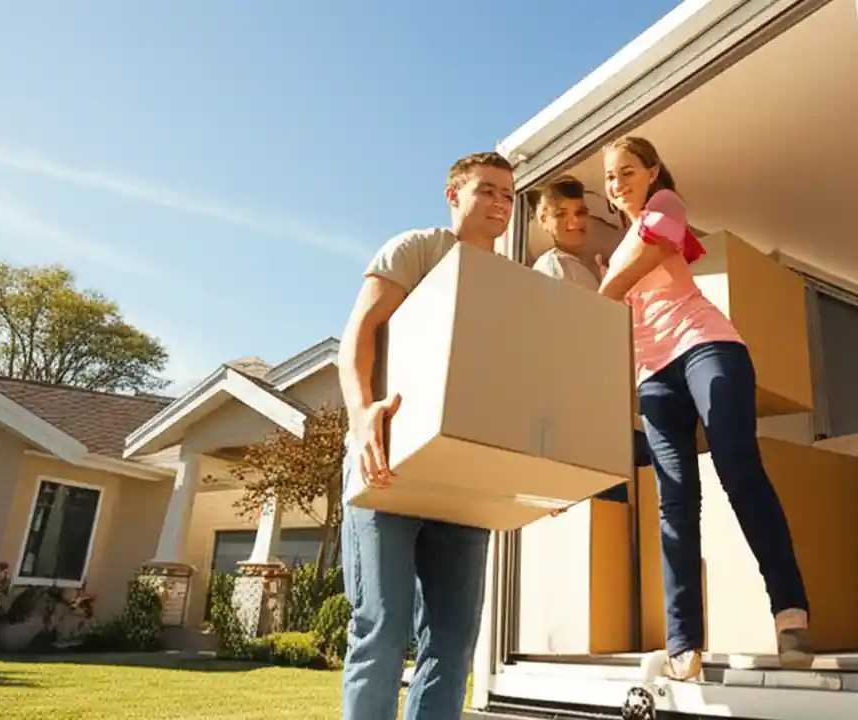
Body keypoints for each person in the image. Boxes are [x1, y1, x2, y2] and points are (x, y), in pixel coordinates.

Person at [596, 136, 814, 680]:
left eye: (626, 172)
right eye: (609, 177)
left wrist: (600, 292)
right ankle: (683, 645)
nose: (617, 184)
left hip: (704, 346)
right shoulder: (619, 244)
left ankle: (791, 616)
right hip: (653, 376)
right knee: (674, 501)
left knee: (737, 465)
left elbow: (644, 264)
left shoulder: (666, 206)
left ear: (650, 172)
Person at [337, 150, 516, 718]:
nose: (500, 204)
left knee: (454, 640)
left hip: (463, 484)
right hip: (388, 460)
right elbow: (358, 334)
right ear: (454, 196)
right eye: (487, 190)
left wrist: (537, 468)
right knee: (381, 628)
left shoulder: (512, 284)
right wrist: (362, 414)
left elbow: (516, 383)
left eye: (509, 196)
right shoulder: (417, 249)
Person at [529, 175, 651, 506]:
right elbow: (560, 350)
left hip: (620, 419)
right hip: (590, 426)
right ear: (543, 220)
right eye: (560, 213)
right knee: (610, 526)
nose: (574, 221)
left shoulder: (582, 270)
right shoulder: (551, 267)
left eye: (580, 212)